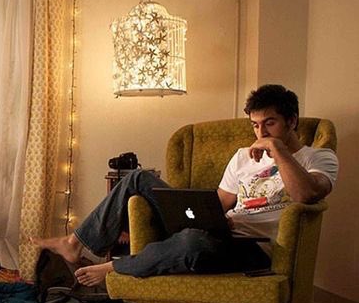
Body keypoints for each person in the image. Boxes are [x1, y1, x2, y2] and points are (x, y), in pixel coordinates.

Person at [35, 84, 338, 287]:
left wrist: (278, 150)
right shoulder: (243, 157)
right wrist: (209, 218)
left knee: (192, 242)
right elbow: (220, 203)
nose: (261, 133)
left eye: (269, 123)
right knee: (138, 178)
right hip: (223, 234)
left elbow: (306, 195)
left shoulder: (318, 157)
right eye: (256, 125)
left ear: (292, 121)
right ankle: (75, 242)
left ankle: (117, 267)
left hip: (256, 249)